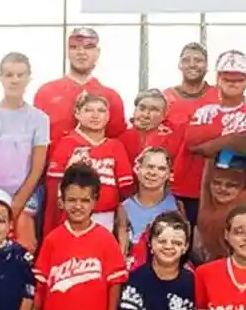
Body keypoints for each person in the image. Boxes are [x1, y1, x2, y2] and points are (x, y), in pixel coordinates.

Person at [32, 164, 129, 310]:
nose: (77, 206)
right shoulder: (53, 239)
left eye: (85, 200)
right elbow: (40, 289)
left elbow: (114, 288)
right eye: (72, 200)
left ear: (95, 201)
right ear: (61, 201)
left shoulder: (105, 239)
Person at [174, 50, 246, 226]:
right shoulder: (204, 112)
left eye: (238, 79)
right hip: (191, 189)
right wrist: (234, 140)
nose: (232, 84)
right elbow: (193, 145)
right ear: (218, 79)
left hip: (233, 192)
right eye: (227, 79)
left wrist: (214, 141)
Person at [0, 52, 50, 252]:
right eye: (9, 75)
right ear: (0, 78)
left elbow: (37, 165)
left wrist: (18, 203)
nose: (14, 80)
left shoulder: (39, 119)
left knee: (24, 249)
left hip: (25, 195)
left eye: (20, 74)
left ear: (28, 78)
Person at [44, 93, 134, 231]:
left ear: (108, 116)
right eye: (88, 110)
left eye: (101, 110)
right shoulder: (66, 143)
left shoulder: (116, 146)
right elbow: (54, 186)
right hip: (71, 215)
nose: (95, 115)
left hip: (106, 216)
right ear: (77, 114)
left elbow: (126, 189)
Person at [34, 26, 126, 142]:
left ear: (97, 52)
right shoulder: (46, 93)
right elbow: (35, 139)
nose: (81, 52)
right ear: (67, 52)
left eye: (88, 47)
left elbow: (118, 141)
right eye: (74, 47)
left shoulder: (111, 97)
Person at [116, 147, 184, 265]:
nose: (153, 173)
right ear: (138, 169)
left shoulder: (177, 205)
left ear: (169, 174)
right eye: (149, 166)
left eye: (161, 168)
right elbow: (122, 252)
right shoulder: (124, 208)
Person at [164, 42, 220, 129]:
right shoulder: (166, 98)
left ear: (206, 65)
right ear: (180, 65)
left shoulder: (220, 96)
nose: (192, 65)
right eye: (186, 60)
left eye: (198, 60)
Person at [120, 89, 180, 164]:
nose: (145, 115)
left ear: (164, 116)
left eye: (154, 110)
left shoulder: (173, 140)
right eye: (142, 108)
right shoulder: (120, 137)